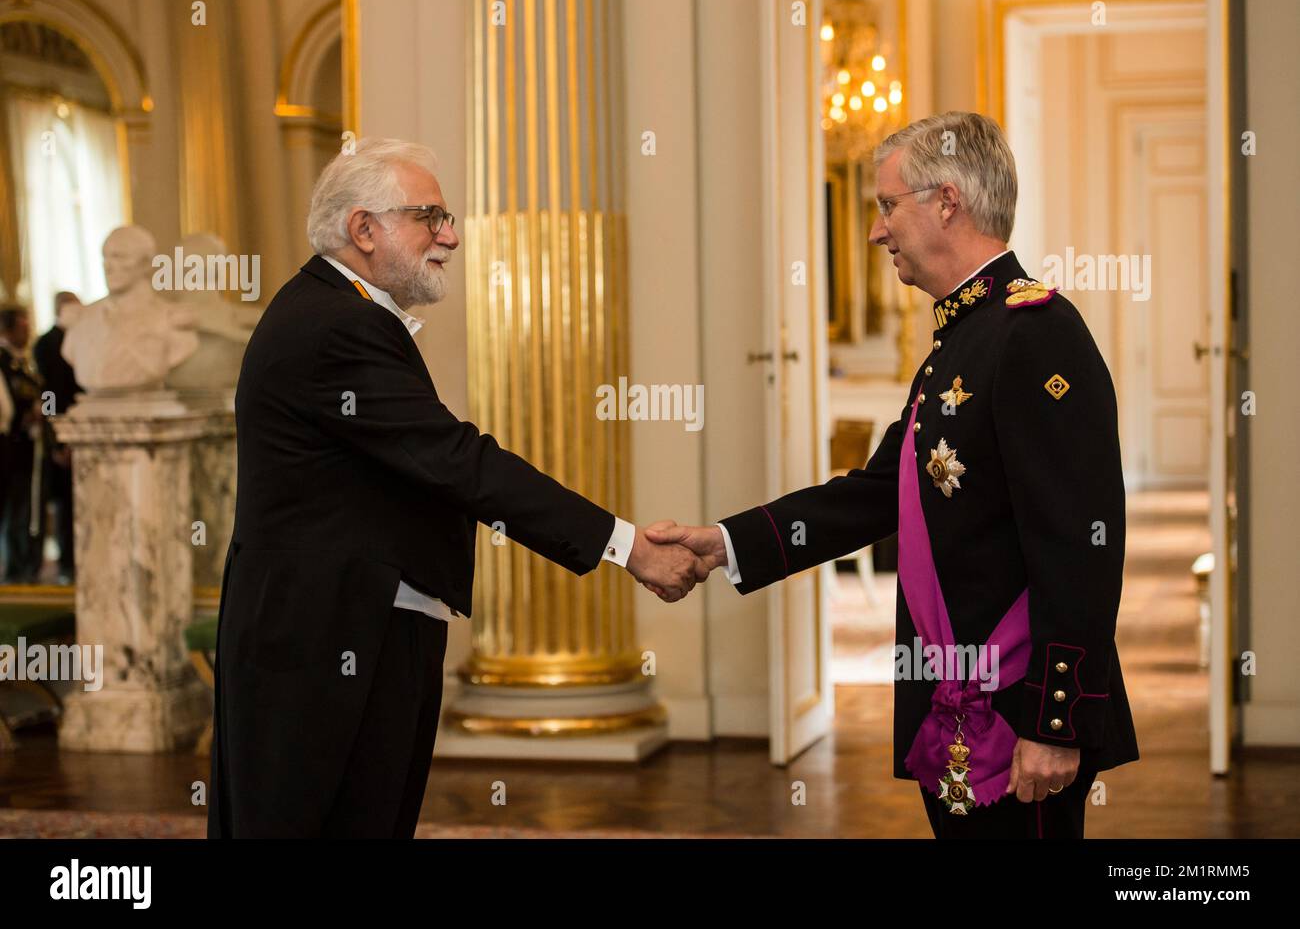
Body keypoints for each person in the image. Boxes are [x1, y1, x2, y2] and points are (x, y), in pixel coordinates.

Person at [648, 112, 1139, 839]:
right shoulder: (965, 337)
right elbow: (880, 493)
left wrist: (1056, 722)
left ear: (947, 201)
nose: (877, 230)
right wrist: (725, 542)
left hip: (1015, 708)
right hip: (955, 694)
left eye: (887, 204)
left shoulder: (1035, 333)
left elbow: (1081, 546)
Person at [208, 138, 697, 838]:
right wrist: (628, 547)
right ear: (364, 229)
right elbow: (461, 461)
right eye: (429, 215)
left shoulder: (337, 312)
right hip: (324, 644)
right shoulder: (335, 327)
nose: (452, 234)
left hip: (349, 629)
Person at [33, 291, 83, 583]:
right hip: (62, 434)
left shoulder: (80, 338)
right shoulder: (47, 344)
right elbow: (49, 393)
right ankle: (67, 564)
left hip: (81, 428)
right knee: (64, 504)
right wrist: (58, 439)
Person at [0, 305, 45, 583]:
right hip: (8, 445)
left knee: (26, 508)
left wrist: (45, 414)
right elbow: (5, 410)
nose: (27, 331)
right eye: (22, 326)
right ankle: (15, 570)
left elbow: (43, 395)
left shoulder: (24, 363)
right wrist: (24, 418)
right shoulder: (4, 362)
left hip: (27, 448)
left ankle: (26, 567)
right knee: (12, 510)